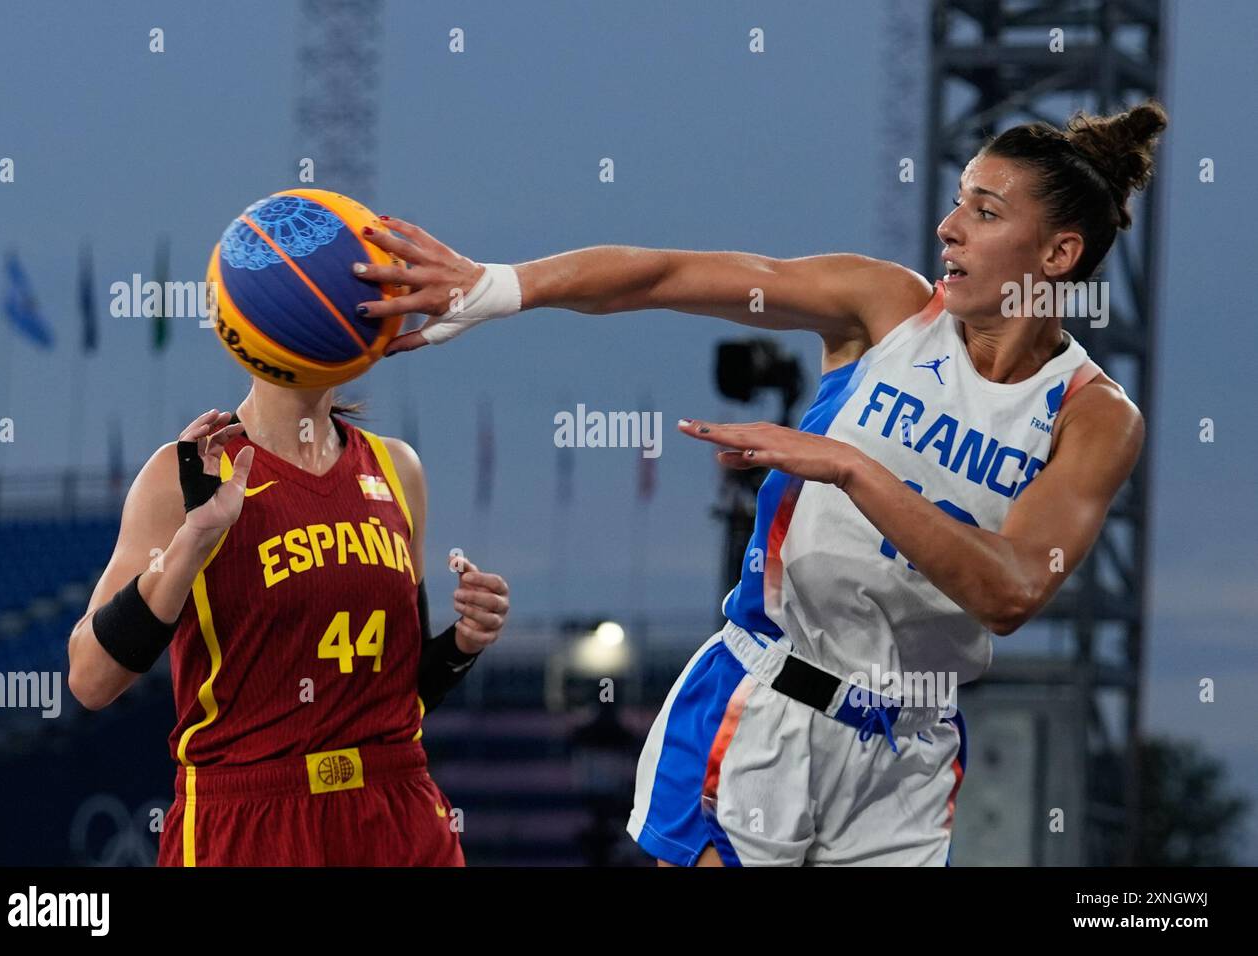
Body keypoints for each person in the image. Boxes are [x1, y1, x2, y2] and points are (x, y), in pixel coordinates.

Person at [350, 102, 1164, 866]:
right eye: (958, 201)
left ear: (1057, 255)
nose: (949, 226)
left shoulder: (1093, 416)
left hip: (909, 750)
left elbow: (1012, 592)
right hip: (767, 704)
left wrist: (849, 467)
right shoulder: (887, 310)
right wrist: (499, 286)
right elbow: (665, 276)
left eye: (986, 212)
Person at [67, 380, 511, 866]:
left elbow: (403, 693)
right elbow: (90, 679)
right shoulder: (189, 468)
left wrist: (461, 645)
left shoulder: (396, 468)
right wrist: (192, 540)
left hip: (395, 800)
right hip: (248, 814)